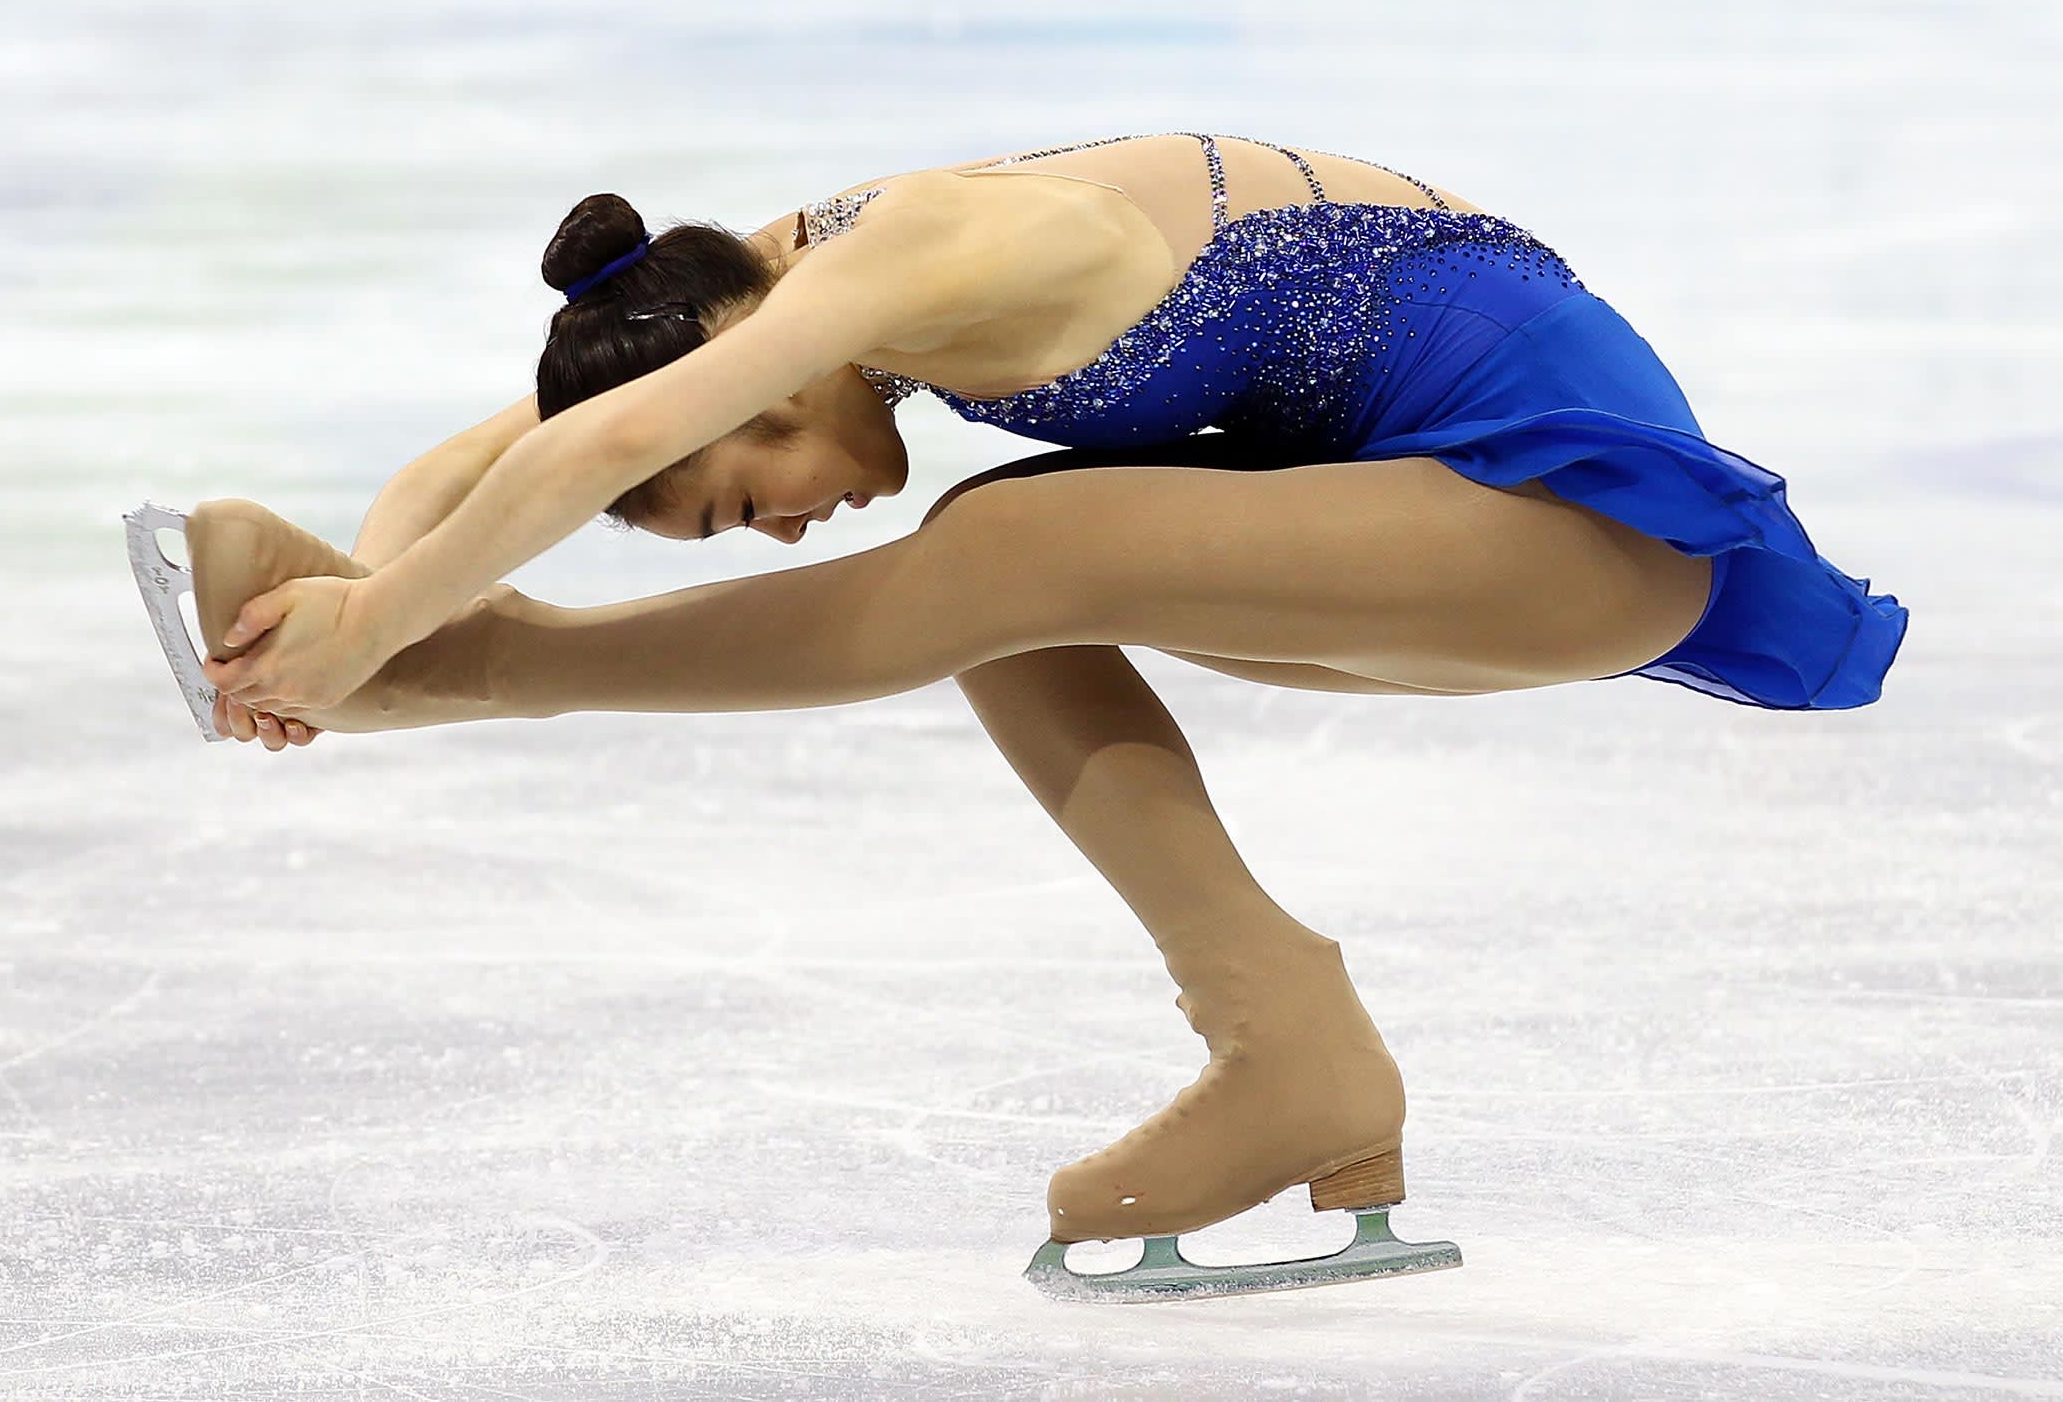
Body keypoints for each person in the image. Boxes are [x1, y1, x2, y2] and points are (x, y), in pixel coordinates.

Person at [183, 131, 1909, 1299]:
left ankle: (483, 671)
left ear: (766, 376)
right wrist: (362, 592)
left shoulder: (913, 249)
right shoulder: (767, 280)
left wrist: (390, 640)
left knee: (1008, 543)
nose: (785, 516)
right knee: (1004, 577)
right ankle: (1288, 1047)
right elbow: (488, 451)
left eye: (747, 487)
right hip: (1437, 521)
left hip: (1580, 525)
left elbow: (592, 450)